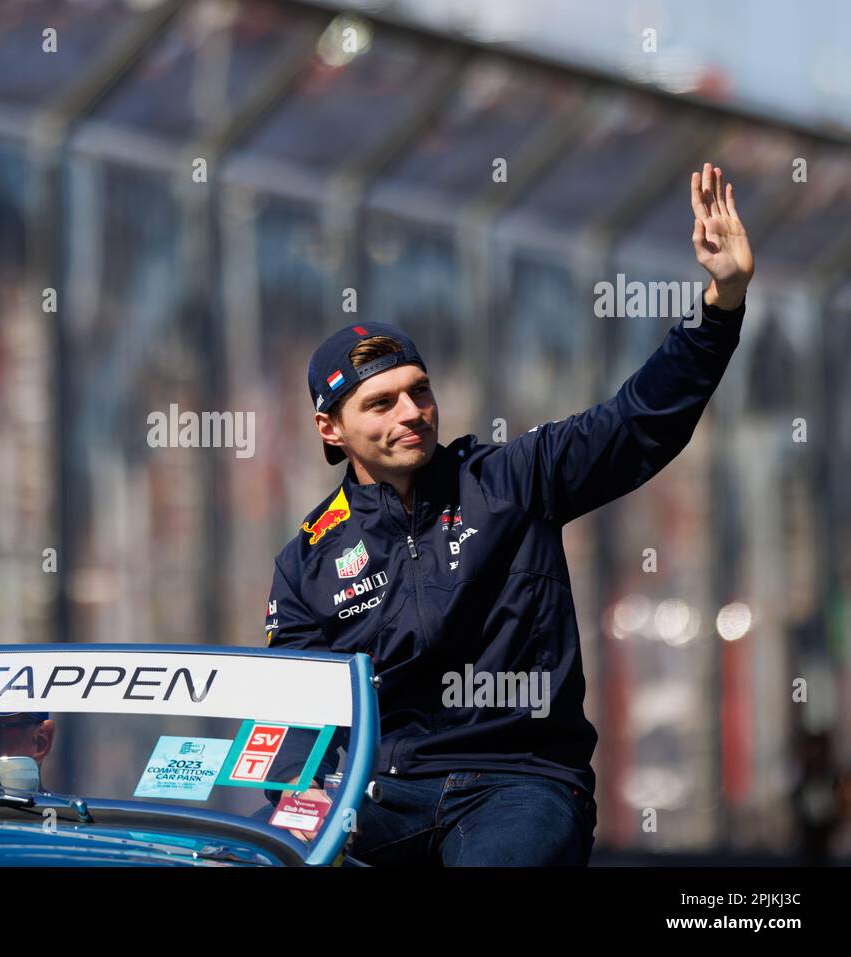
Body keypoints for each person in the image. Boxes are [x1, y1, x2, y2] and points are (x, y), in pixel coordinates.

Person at [263, 163, 754, 865]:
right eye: (382, 402)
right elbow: (294, 725)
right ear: (330, 429)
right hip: (381, 797)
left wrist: (721, 302)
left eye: (420, 391)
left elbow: (638, 420)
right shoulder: (306, 560)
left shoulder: (511, 478)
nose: (412, 412)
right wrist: (283, 821)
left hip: (519, 783)